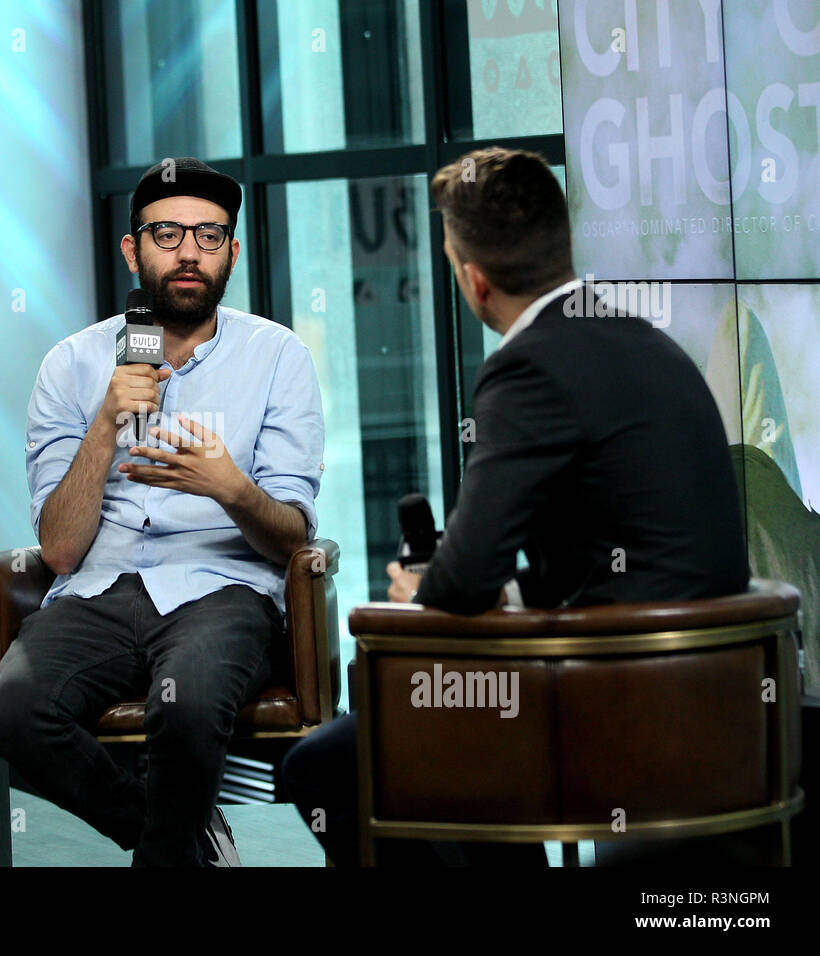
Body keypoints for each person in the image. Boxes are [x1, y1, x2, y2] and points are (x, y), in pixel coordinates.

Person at [282, 147, 748, 867]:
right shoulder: (650, 344)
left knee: (323, 766)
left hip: (621, 700)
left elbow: (463, 580)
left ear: (474, 280)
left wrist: (422, 591)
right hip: (717, 693)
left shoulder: (527, 367)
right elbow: (618, 557)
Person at [0, 158, 324, 866]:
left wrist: (231, 488)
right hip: (97, 592)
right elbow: (61, 552)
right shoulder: (71, 364)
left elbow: (292, 537)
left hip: (223, 591)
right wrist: (106, 421)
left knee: (190, 704)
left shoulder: (277, 356)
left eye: (209, 234)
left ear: (232, 251)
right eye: (168, 233)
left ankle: (169, 852)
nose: (189, 251)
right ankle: (178, 839)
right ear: (133, 250)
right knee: (11, 711)